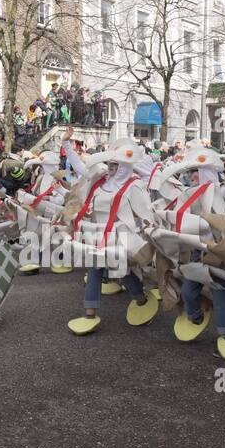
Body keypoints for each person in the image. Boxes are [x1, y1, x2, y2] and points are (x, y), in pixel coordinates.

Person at [60, 127, 159, 336]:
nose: (110, 167)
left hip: (120, 237)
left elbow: (146, 215)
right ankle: (90, 314)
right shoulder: (101, 179)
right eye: (110, 163)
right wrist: (66, 143)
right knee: (95, 268)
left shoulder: (135, 186)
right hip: (97, 235)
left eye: (115, 164)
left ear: (125, 166)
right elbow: (80, 167)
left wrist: (151, 235)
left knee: (121, 270)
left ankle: (140, 299)